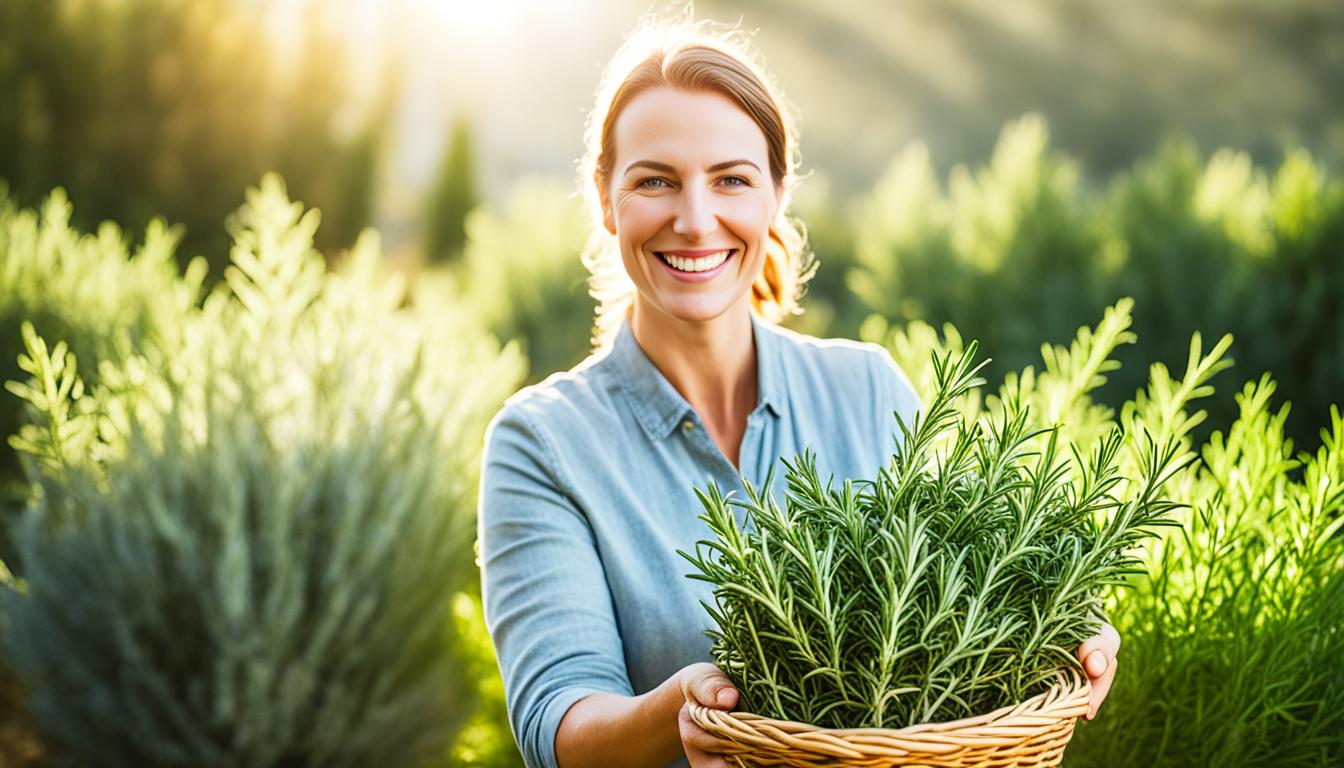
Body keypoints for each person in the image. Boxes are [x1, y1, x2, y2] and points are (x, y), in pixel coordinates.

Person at [477, 17, 1120, 768]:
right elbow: (557, 723)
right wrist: (675, 709)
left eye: (731, 180)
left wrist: (1060, 624)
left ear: (776, 194)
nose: (693, 219)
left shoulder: (868, 389)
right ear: (607, 198)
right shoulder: (543, 443)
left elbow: (969, 594)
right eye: (655, 180)